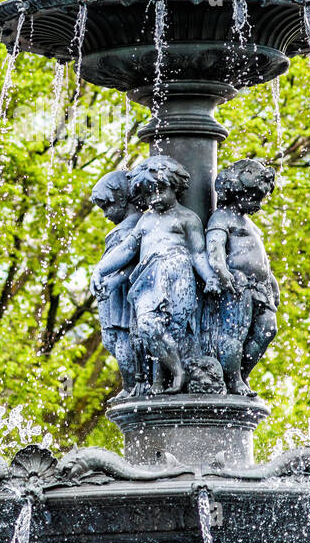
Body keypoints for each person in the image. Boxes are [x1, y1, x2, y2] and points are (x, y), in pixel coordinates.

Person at [93, 155, 221, 395]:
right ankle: (178, 369)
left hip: (177, 273)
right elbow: (127, 249)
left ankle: (161, 381)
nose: (155, 198)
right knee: (148, 326)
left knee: (173, 328)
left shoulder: (187, 218)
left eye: (160, 190)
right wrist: (102, 269)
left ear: (175, 185)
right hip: (148, 277)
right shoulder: (146, 219)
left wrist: (211, 277)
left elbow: (198, 254)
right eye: (148, 194)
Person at [204, 158, 279, 396]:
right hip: (238, 284)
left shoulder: (250, 223)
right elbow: (215, 248)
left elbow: (262, 260)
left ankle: (243, 373)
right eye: (254, 197)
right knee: (234, 332)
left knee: (268, 330)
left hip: (261, 287)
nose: (258, 204)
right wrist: (221, 271)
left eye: (261, 198)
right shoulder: (222, 218)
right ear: (235, 191)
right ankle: (233, 379)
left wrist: (273, 285)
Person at [90, 170, 141, 397]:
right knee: (115, 341)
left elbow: (132, 260)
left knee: (123, 340)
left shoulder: (134, 226)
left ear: (122, 199)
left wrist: (112, 280)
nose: (105, 214)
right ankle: (132, 385)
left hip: (123, 293)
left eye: (107, 207)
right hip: (113, 294)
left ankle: (133, 386)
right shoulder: (127, 226)